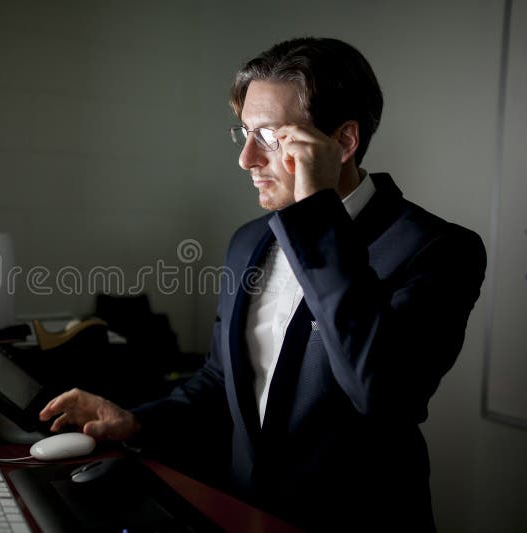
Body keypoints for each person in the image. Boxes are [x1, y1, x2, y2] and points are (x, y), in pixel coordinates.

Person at [39, 37, 486, 531]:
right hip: (244, 514)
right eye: (245, 133)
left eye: (270, 136)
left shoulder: (438, 249)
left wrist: (317, 216)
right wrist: (136, 420)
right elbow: (219, 381)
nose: (247, 158)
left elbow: (382, 395)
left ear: (343, 142)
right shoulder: (249, 241)